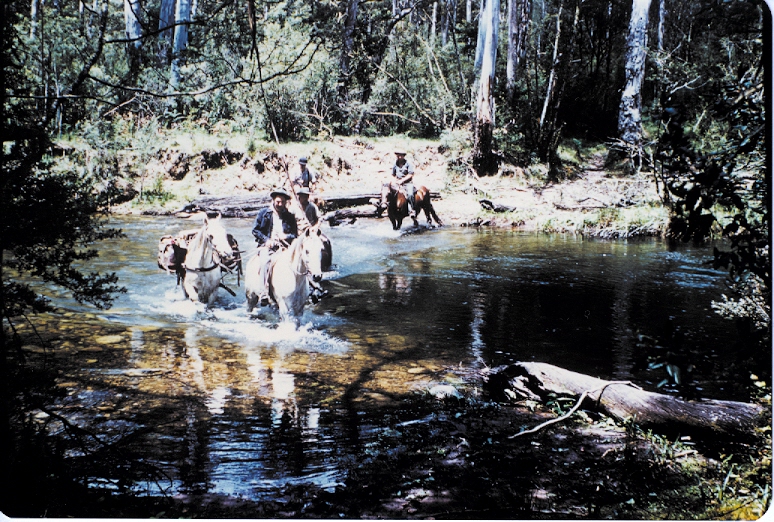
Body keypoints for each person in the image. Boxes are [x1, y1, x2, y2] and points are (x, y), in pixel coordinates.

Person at [251, 188, 311, 305]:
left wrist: (286, 236)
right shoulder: (264, 213)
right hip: (267, 246)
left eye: (282, 202)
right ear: (273, 200)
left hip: (285, 246)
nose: (280, 204)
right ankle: (264, 292)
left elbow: (295, 234)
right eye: (278, 202)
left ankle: (309, 289)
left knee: (302, 260)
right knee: (264, 262)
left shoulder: (289, 216)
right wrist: (266, 240)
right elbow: (255, 230)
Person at [391, 150, 415, 218]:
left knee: (410, 194)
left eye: (401, 155)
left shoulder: (408, 164)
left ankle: (412, 210)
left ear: (404, 156)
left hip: (407, 183)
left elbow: (411, 174)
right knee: (389, 192)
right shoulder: (395, 164)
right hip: (398, 182)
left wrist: (402, 180)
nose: (399, 157)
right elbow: (393, 174)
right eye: (398, 155)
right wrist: (395, 181)